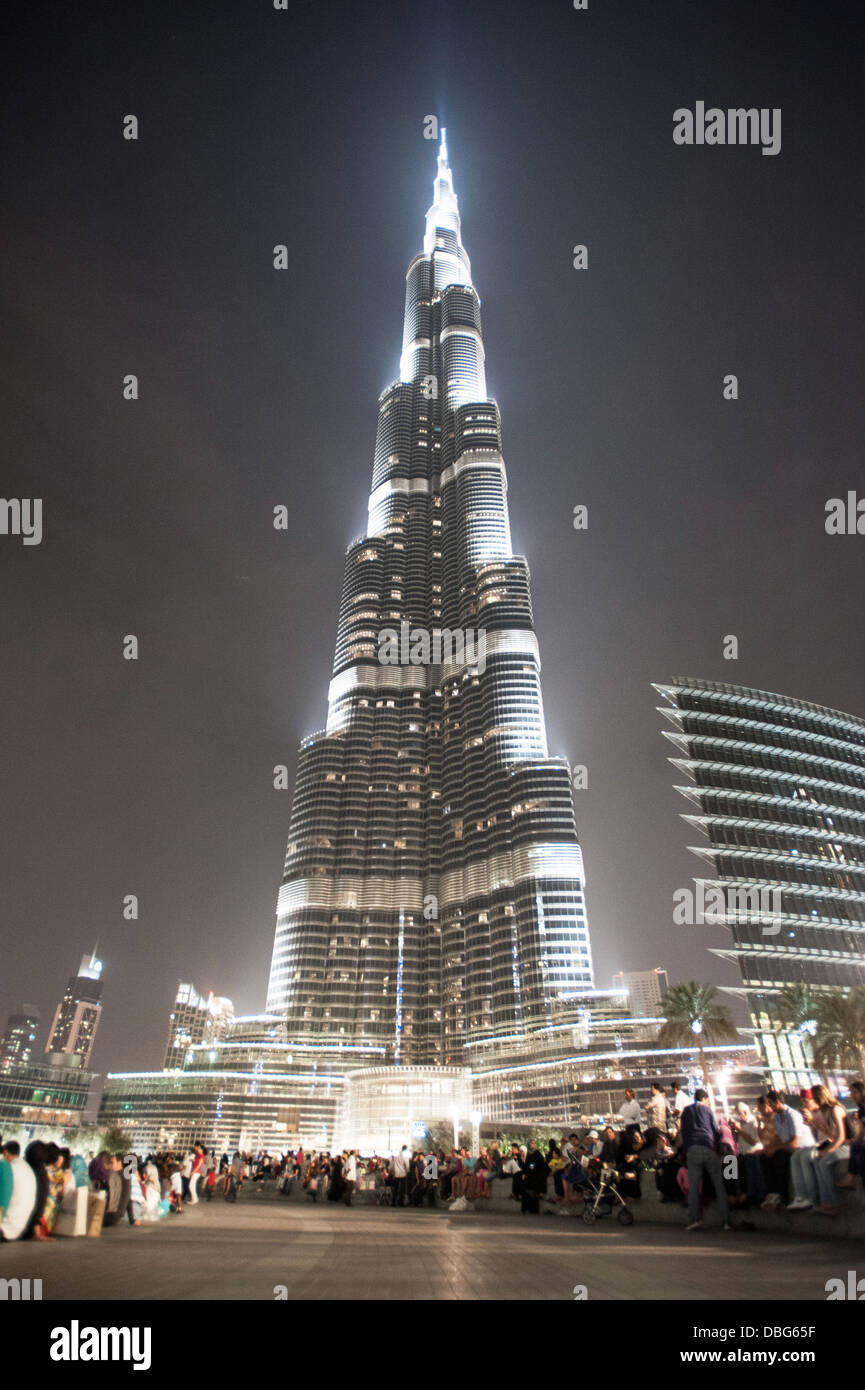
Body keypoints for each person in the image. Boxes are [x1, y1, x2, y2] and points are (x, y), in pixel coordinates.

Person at [680, 1088, 731, 1231]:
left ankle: (694, 1219)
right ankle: (726, 1221)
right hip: (708, 1147)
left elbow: (683, 1131)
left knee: (694, 1187)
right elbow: (715, 1130)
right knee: (719, 1185)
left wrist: (686, 1149)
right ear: (704, 1099)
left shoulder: (686, 1111)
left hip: (692, 1149)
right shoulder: (708, 1111)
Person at [762, 1090, 813, 1209]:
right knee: (765, 1158)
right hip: (788, 1147)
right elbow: (779, 1137)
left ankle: (783, 1197)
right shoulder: (778, 1117)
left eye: (770, 1103)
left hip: (801, 1147)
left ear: (778, 1102)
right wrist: (768, 1148)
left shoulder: (792, 1115)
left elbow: (794, 1141)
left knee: (779, 1159)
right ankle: (772, 1193)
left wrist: (775, 1149)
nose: (769, 1106)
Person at [0, 1139, 37, 1242]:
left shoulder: (7, 1167)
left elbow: (3, 1198)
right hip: (19, 1229)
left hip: (5, 1228)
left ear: (6, 1153)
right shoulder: (27, 1168)